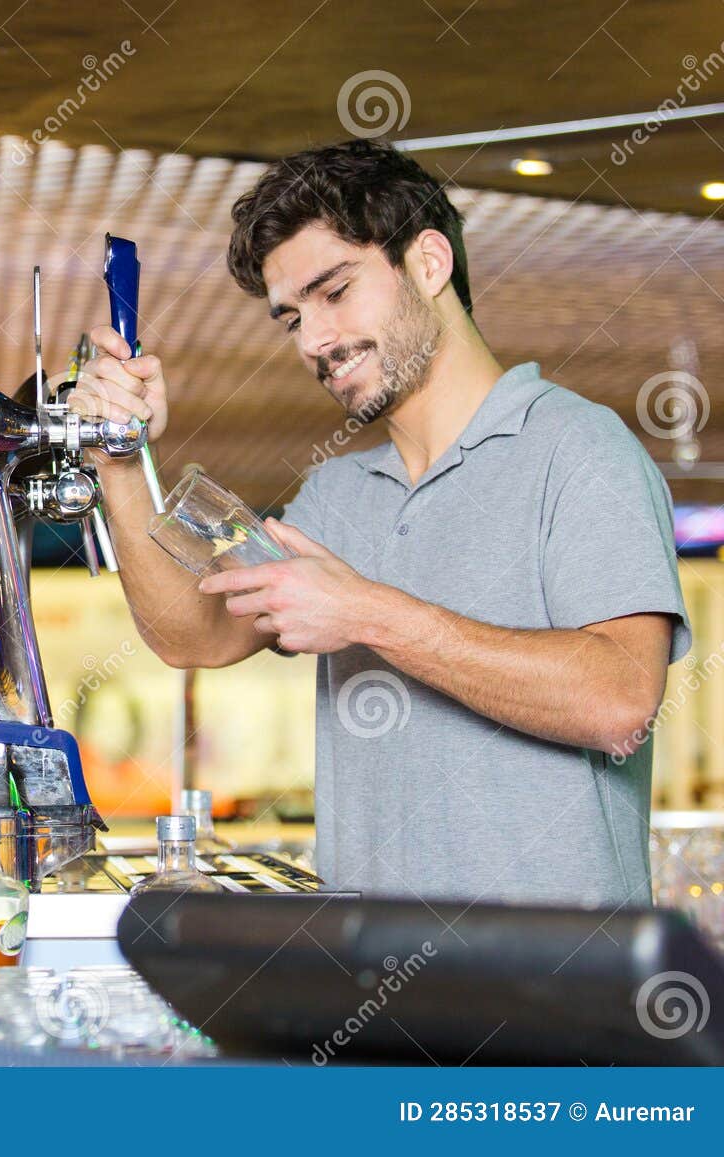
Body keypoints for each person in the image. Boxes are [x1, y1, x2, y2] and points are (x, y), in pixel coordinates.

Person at [72, 139, 690, 908]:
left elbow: (621, 699)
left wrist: (365, 610)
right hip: (375, 999)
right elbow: (191, 634)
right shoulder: (339, 493)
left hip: (555, 1004)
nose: (312, 340)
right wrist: (120, 464)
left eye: (335, 292)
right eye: (292, 316)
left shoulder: (579, 450)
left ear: (428, 264)